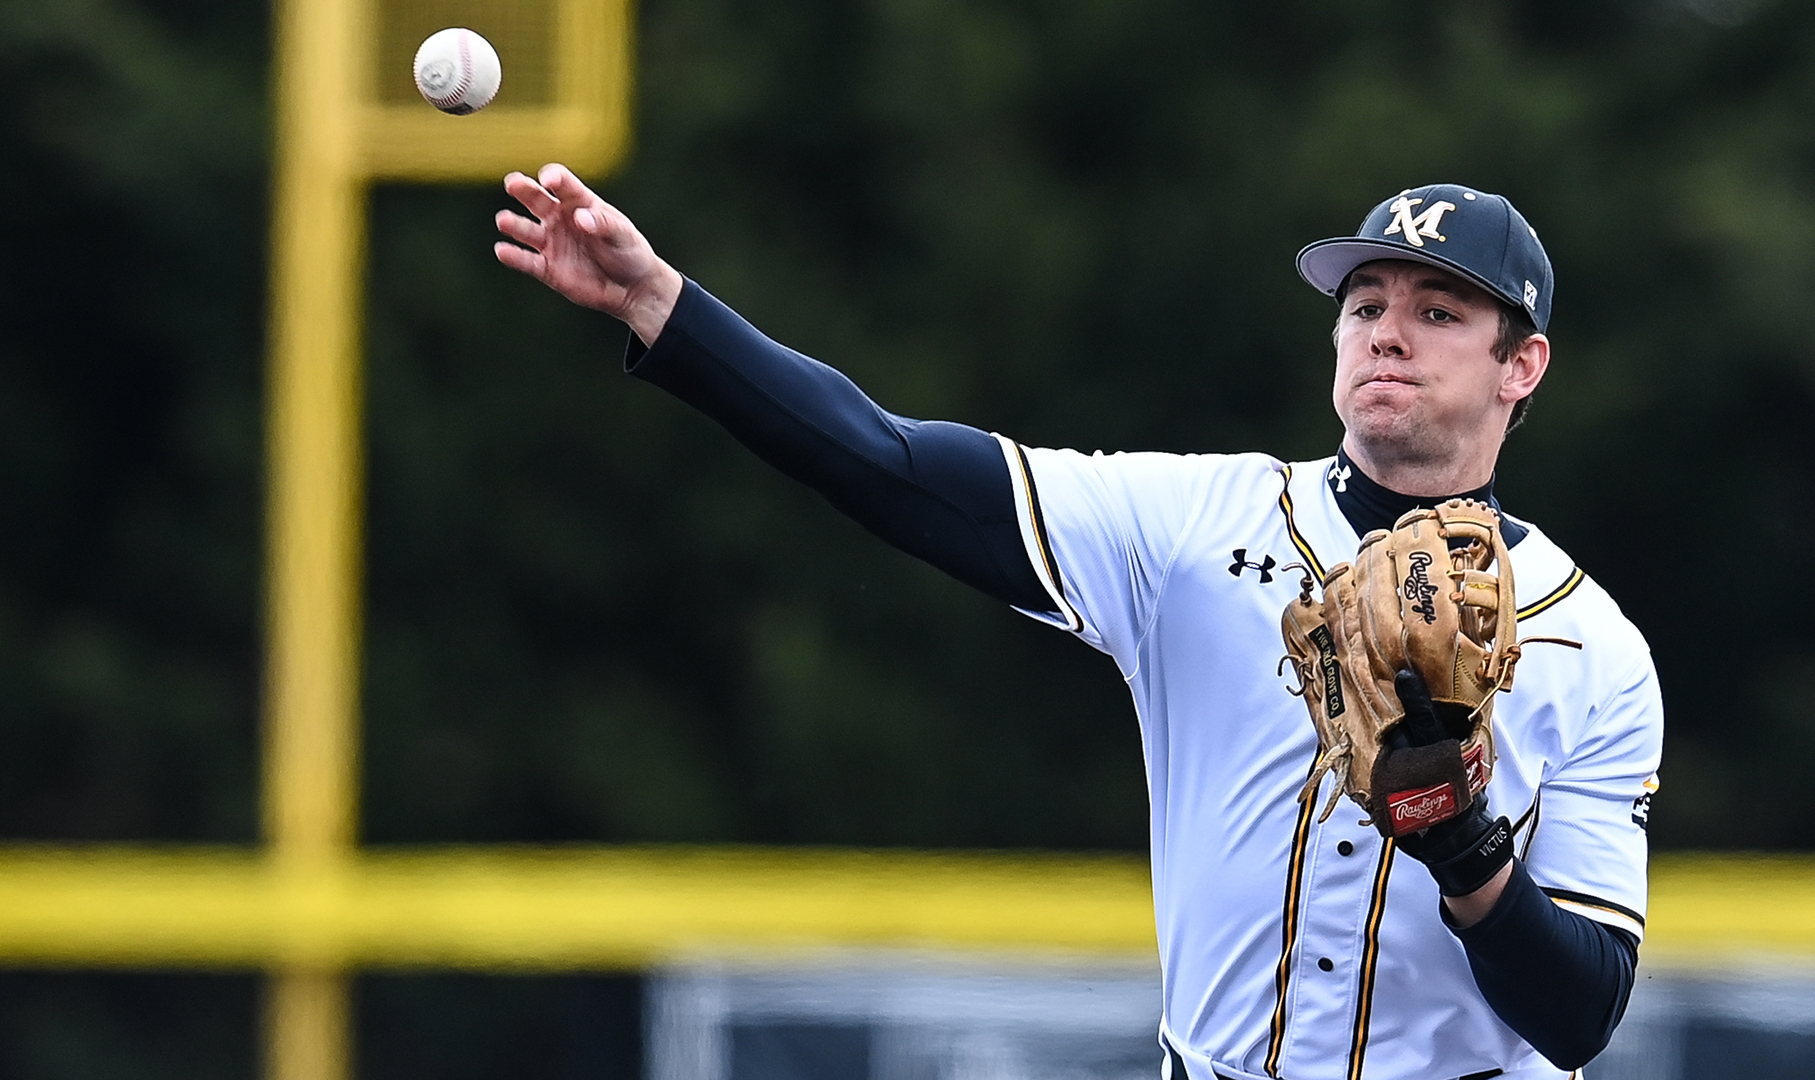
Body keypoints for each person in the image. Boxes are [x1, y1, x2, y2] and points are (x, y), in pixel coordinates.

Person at [494, 166, 1662, 1080]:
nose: (1385, 333)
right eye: (1365, 305)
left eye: (1438, 310)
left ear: (1523, 365)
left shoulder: (1594, 649)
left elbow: (1583, 1013)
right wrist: (663, 307)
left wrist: (1464, 849)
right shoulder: (1193, 526)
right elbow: (889, 464)